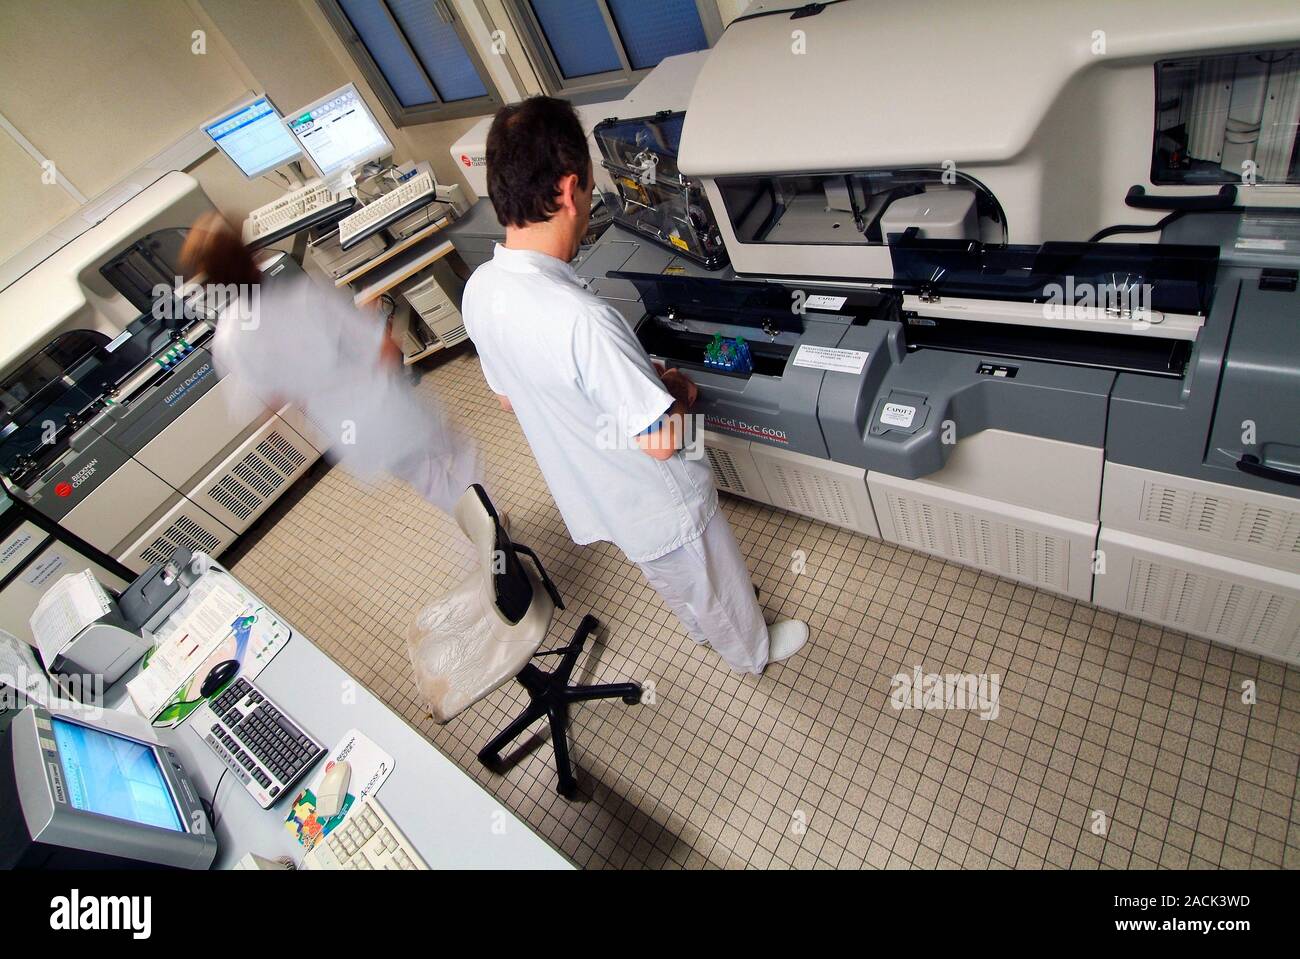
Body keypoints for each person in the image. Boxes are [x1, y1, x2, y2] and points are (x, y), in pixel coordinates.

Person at [461, 97, 807, 675]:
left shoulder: (480, 290)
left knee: (671, 577)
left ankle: (702, 629)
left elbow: (507, 396)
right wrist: (673, 390)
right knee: (710, 574)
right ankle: (752, 652)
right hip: (657, 496)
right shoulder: (583, 321)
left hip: (598, 493)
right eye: (593, 187)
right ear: (571, 190)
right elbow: (662, 440)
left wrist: (625, 387)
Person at [179, 211, 480, 514]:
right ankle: (489, 527)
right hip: (383, 404)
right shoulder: (304, 297)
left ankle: (482, 527)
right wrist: (375, 316)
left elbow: (266, 403)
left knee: (426, 477)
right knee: (454, 449)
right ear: (252, 258)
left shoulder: (229, 341)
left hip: (348, 426)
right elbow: (384, 351)